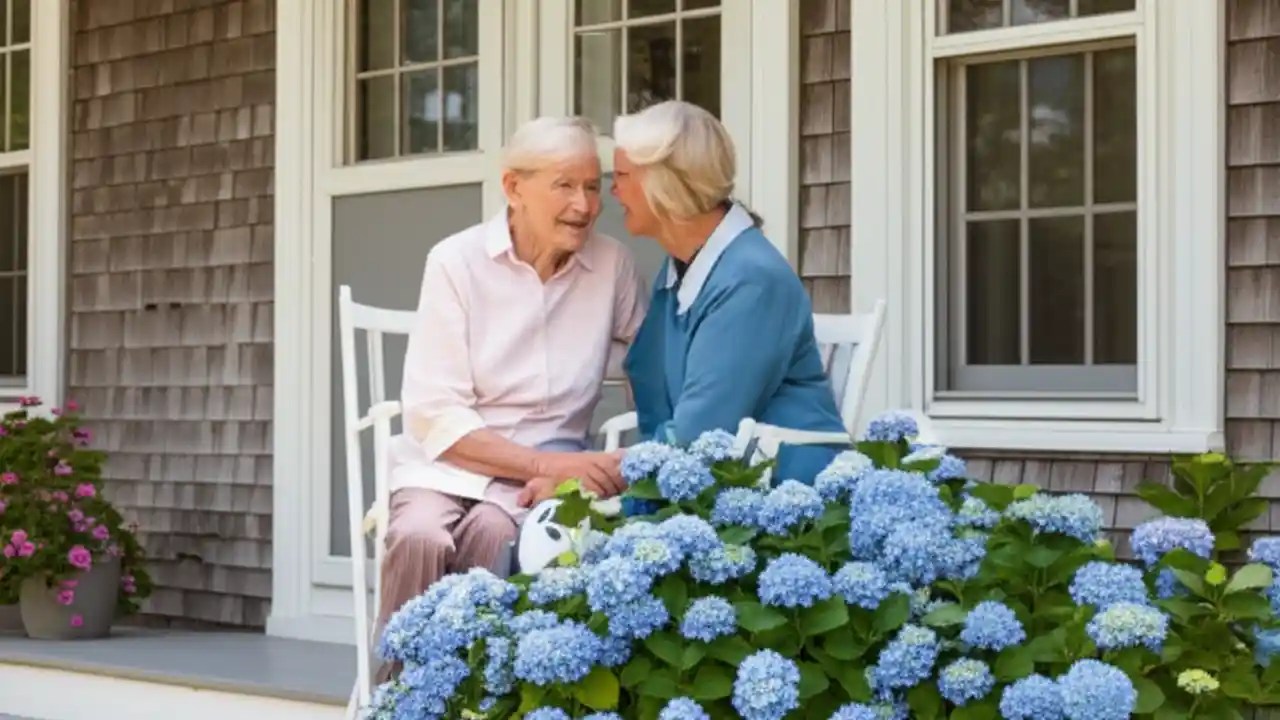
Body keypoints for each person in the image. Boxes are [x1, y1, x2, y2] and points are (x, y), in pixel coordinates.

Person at [376, 116, 647, 664]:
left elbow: (650, 365)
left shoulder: (612, 264)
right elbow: (435, 416)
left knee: (494, 533)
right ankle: (397, 696)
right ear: (513, 188)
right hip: (449, 466)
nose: (584, 204)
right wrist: (546, 468)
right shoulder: (456, 261)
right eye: (564, 185)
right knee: (421, 536)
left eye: (593, 186)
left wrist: (619, 466)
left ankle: (473, 693)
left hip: (542, 479)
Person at [612, 100, 846, 489]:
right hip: (703, 483)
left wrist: (594, 474)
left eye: (621, 175)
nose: (614, 191)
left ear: (664, 184)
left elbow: (701, 430)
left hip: (780, 497)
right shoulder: (681, 268)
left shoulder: (750, 279)